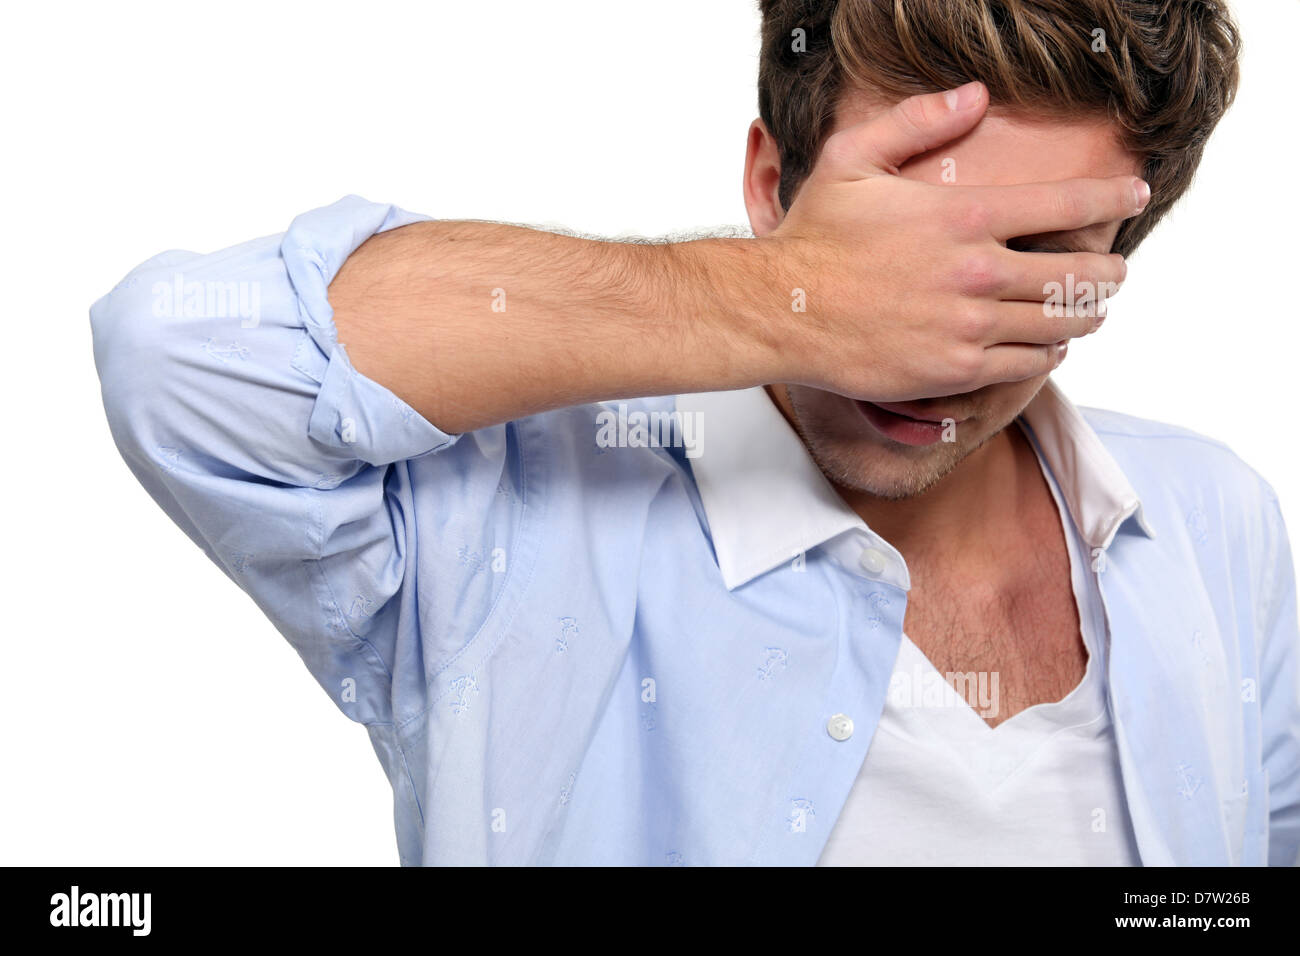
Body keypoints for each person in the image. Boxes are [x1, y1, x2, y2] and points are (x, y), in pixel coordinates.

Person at [90, 0, 1298, 865]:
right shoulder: (507, 526)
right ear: (773, 184)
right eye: (901, 248)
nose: (937, 336)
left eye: (1029, 270)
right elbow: (177, 354)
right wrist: (777, 301)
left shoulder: (1213, 522)